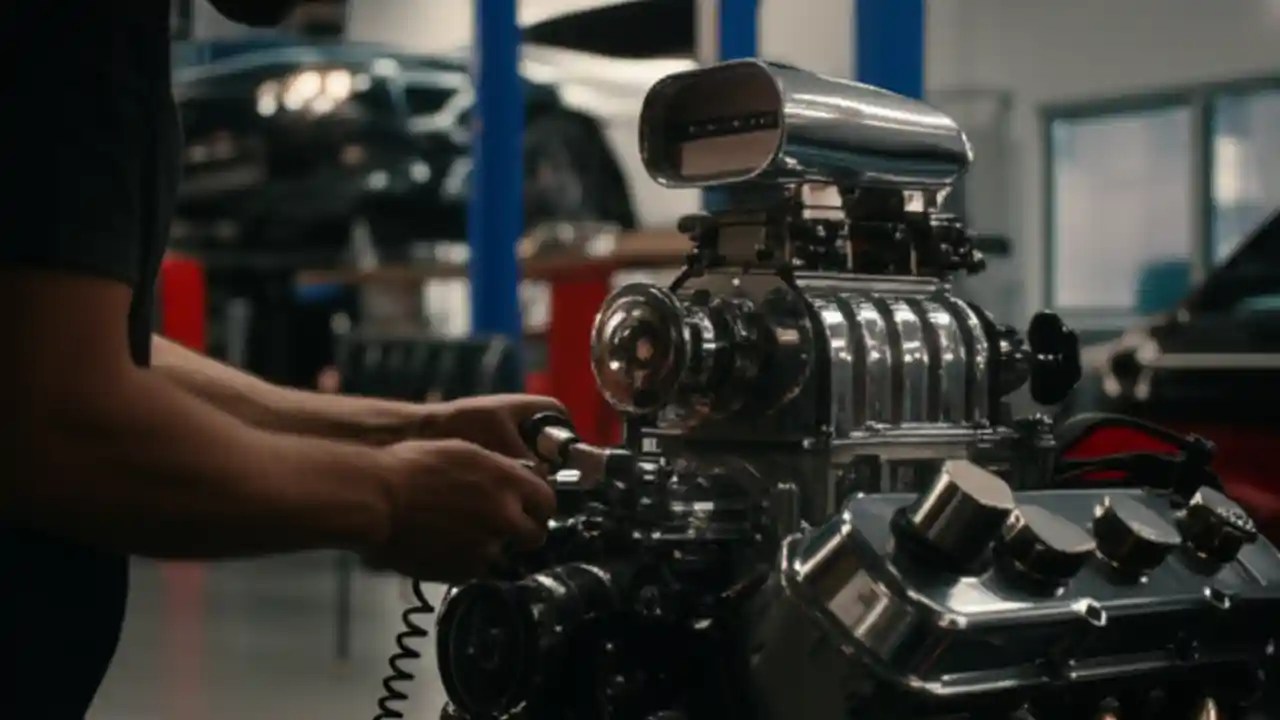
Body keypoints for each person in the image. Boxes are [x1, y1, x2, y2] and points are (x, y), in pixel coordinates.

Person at [0, 1, 558, 716]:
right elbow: (55, 416)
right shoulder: (77, 25)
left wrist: (410, 434)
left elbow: (70, 340)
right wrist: (390, 500)